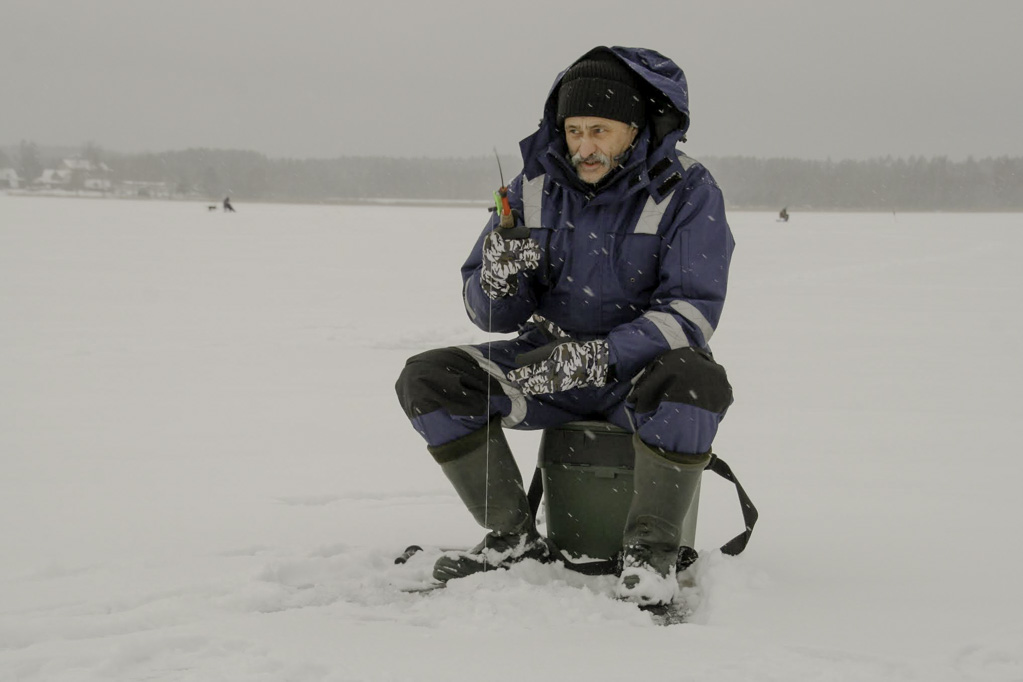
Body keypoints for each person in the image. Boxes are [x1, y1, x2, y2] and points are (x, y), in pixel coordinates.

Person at [395, 46, 734, 607]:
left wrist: (602, 355)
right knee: (429, 378)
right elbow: (487, 313)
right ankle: (512, 540)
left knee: (696, 381)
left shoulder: (689, 189)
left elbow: (692, 312)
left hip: (638, 376)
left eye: (599, 130)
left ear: (634, 127)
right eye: (573, 130)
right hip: (544, 364)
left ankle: (651, 557)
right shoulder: (530, 186)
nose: (583, 147)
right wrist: (497, 280)